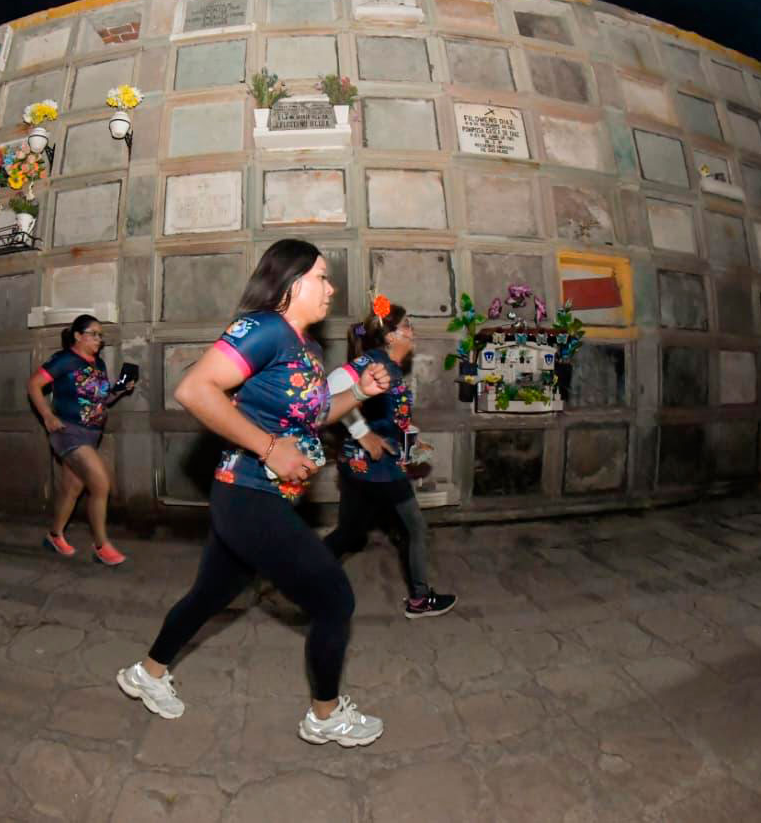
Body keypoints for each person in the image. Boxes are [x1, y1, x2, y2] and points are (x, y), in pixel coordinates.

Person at [117, 239, 393, 748]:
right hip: (249, 493)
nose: (332, 288)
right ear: (290, 283)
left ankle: (147, 674)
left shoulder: (305, 347)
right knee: (334, 599)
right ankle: (325, 716)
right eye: (322, 277)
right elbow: (194, 390)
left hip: (255, 496)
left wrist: (358, 393)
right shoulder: (266, 327)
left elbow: (312, 415)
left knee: (210, 595)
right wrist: (269, 448)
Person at [325, 297, 457, 619]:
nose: (413, 331)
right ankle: (420, 599)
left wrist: (409, 440)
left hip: (362, 467)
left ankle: (300, 573)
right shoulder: (375, 363)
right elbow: (330, 389)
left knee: (349, 533)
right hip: (378, 468)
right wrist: (362, 434)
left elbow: (385, 415)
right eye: (406, 326)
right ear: (390, 337)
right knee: (414, 529)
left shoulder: (389, 366)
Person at [26, 314, 134, 565]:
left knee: (72, 488)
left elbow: (101, 400)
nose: (99, 339)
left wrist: (119, 390)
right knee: (100, 484)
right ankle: (101, 546)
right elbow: (33, 384)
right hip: (69, 432)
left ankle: (54, 536)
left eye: (100, 335)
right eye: (93, 334)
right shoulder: (64, 360)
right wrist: (47, 416)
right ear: (78, 336)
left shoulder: (99, 365)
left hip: (91, 433)